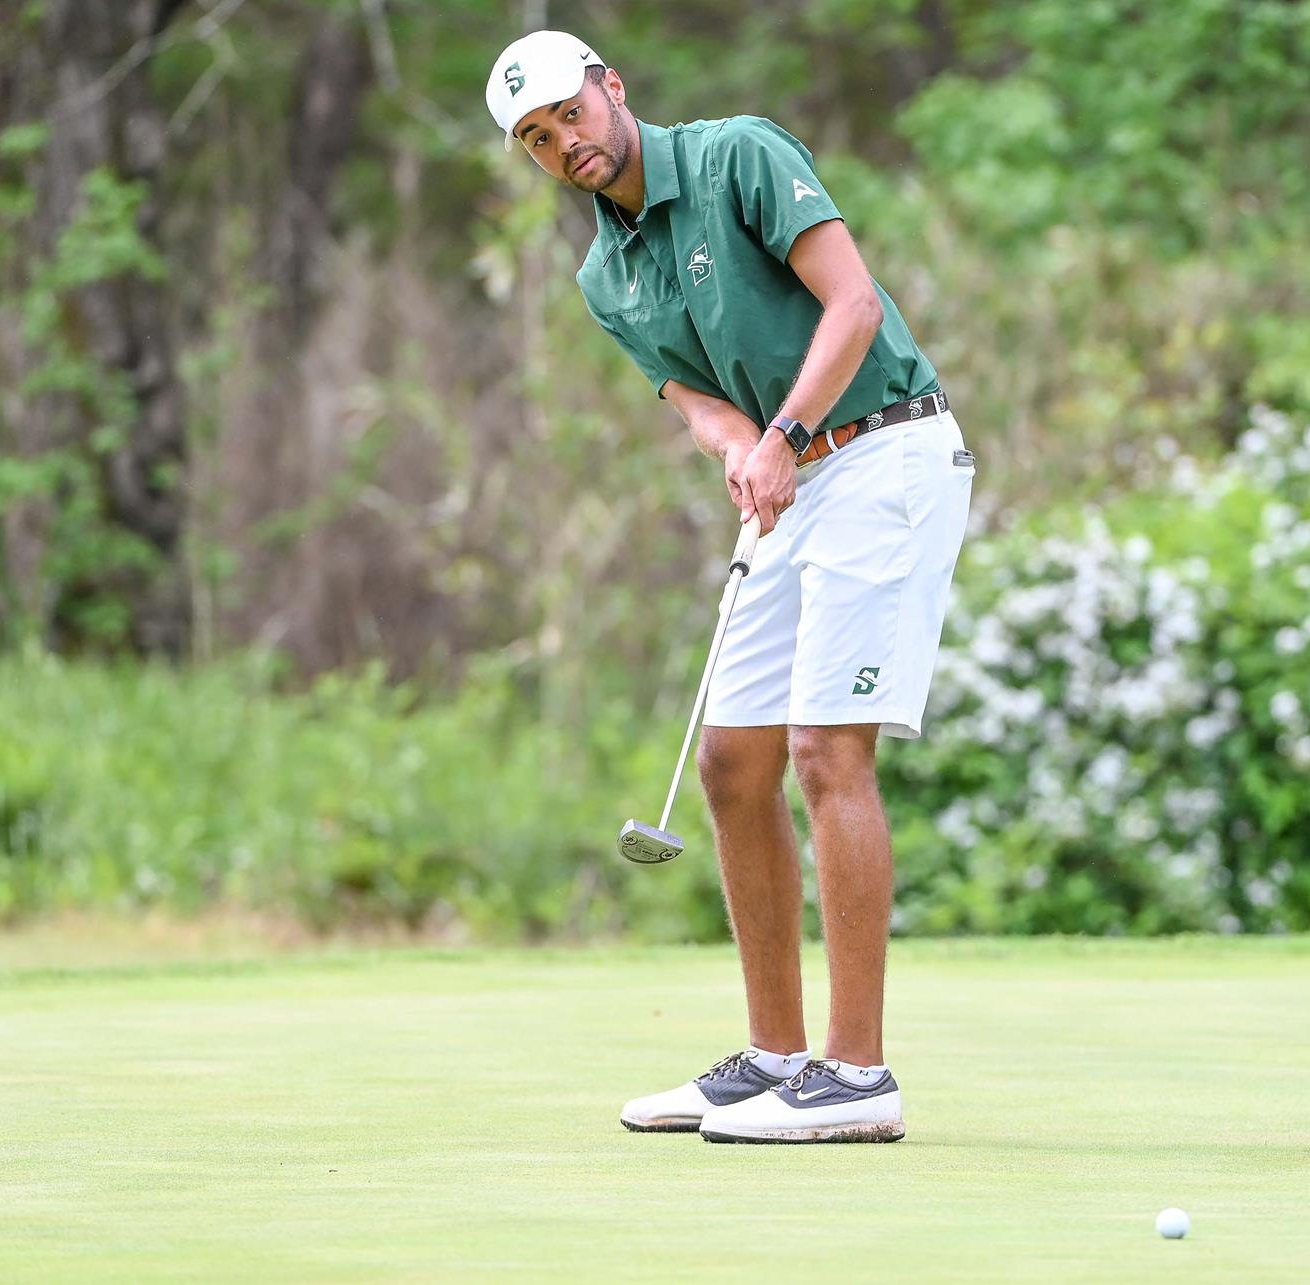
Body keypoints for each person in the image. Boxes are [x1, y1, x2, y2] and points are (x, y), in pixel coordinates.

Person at [486, 30, 974, 1144]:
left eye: (569, 114)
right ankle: (773, 1058)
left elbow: (851, 305)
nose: (564, 144)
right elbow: (695, 403)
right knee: (730, 758)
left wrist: (785, 436)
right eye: (536, 139)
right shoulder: (602, 272)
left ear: (613, 87)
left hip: (884, 449)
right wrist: (734, 445)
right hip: (794, 480)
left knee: (822, 748)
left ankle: (857, 1079)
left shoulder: (737, 157)